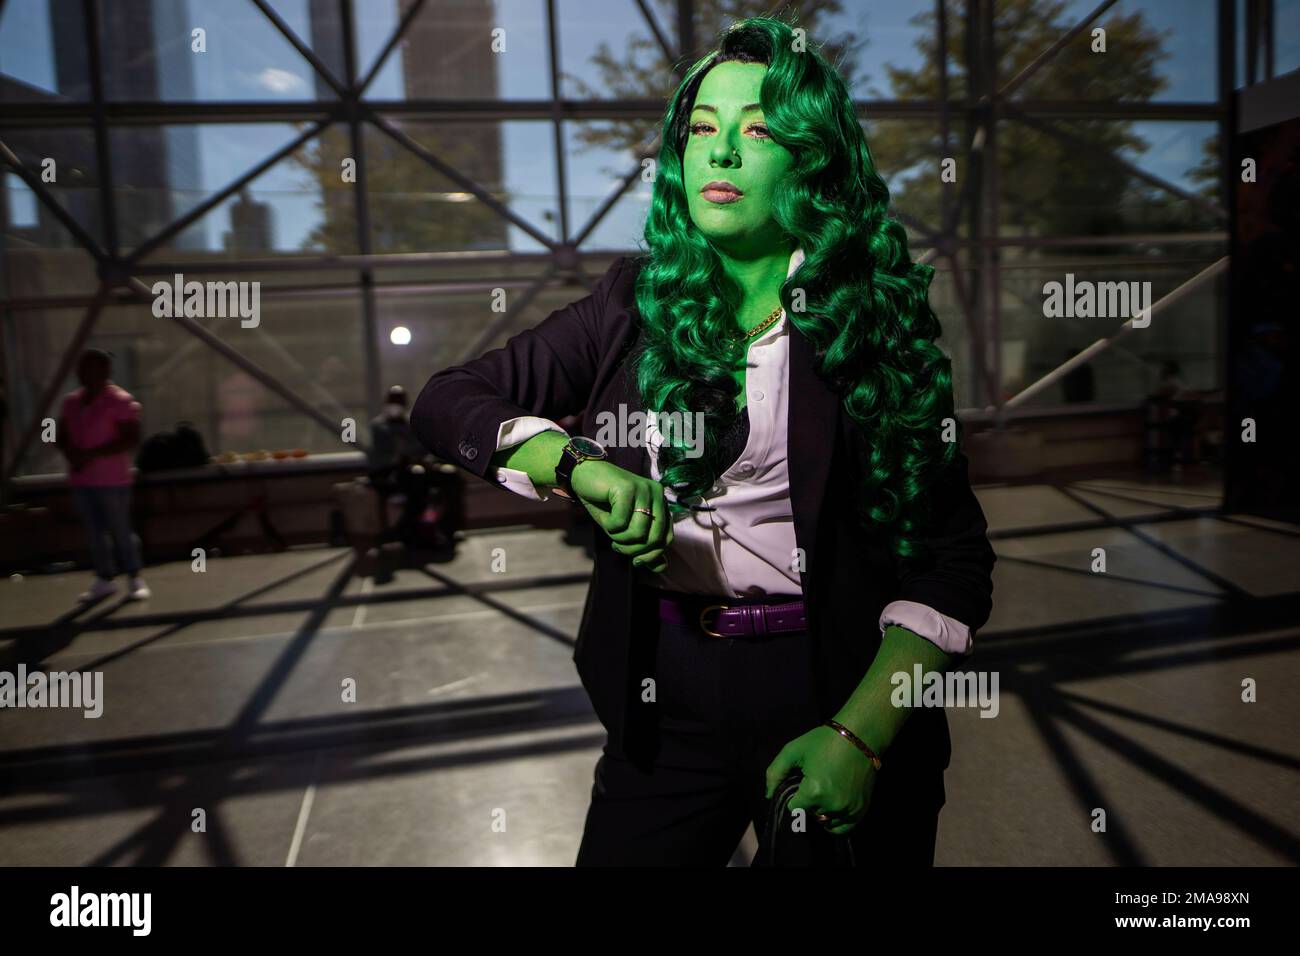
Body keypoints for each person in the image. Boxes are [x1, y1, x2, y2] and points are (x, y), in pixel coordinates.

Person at [411, 16, 995, 866]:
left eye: (757, 130)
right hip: (666, 692)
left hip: (834, 682)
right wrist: (573, 466)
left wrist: (861, 739)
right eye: (701, 130)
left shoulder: (871, 330)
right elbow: (449, 399)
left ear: (812, 159)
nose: (718, 155)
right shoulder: (630, 303)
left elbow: (953, 563)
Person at [57, 348, 151, 602]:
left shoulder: (120, 401)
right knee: (93, 531)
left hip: (113, 480)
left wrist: (92, 454)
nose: (83, 374)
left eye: (89, 368)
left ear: (105, 371)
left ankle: (134, 576)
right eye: (80, 369)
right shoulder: (71, 403)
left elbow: (130, 438)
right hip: (82, 480)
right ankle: (104, 577)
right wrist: (71, 453)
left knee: (120, 529)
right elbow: (61, 433)